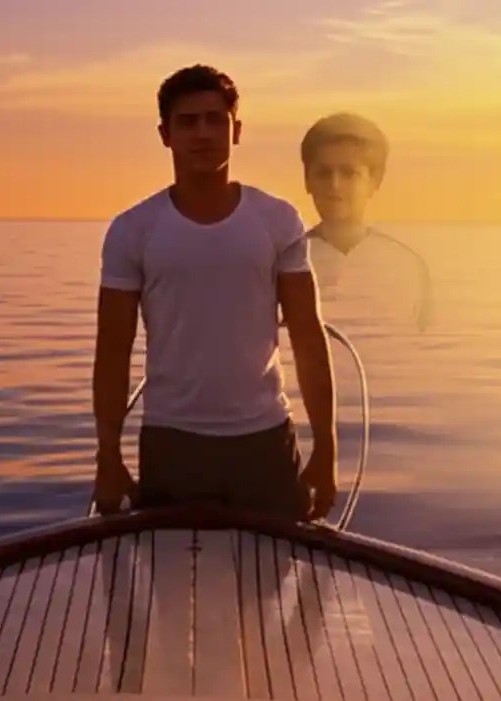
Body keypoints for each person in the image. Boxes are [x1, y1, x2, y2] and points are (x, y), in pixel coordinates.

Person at [91, 64, 338, 522]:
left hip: (264, 441)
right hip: (172, 443)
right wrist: (108, 456)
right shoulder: (133, 231)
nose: (203, 133)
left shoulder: (278, 220)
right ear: (165, 134)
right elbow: (112, 350)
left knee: (270, 589)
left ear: (235, 130)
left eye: (215, 120)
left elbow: (307, 336)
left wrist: (325, 447)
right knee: (170, 584)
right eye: (187, 122)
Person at [300, 112, 432, 333]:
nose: (334, 185)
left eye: (349, 173)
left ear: (374, 181)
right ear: (307, 180)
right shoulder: (286, 263)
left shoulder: (407, 267)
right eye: (323, 173)